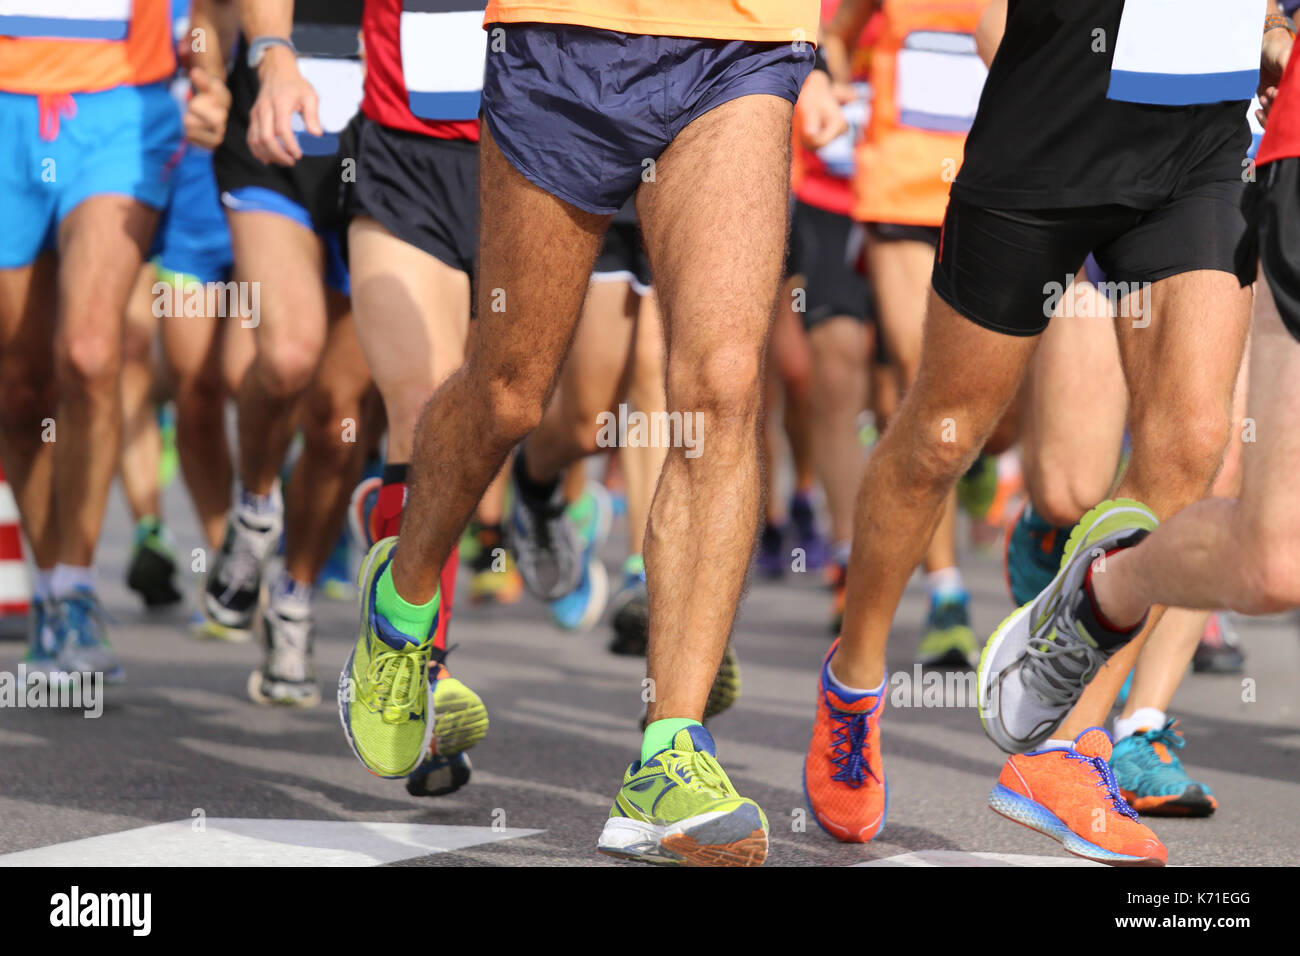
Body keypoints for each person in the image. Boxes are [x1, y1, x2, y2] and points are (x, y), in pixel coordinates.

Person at [339, 0, 846, 867]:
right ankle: (402, 597)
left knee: (722, 388)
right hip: (565, 36)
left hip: (742, 40)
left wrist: (825, 52)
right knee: (509, 392)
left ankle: (670, 755)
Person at [807, 0, 1278, 866]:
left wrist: (1273, 32)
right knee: (943, 437)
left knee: (1191, 443)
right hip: (1046, 135)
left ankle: (1068, 749)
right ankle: (854, 681)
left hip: (1202, 147)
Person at [980, 0, 1300, 812]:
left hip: (1226, 178)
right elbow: (996, 26)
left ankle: (1134, 726)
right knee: (1070, 489)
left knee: (1207, 459)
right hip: (1093, 160)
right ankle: (1056, 546)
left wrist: (1271, 42)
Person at [1, 0, 184, 684]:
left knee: (89, 352)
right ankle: (51, 587)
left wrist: (224, 67)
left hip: (120, 108)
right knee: (20, 388)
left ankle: (76, 590)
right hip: (6, 107)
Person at [204, 0, 375, 709]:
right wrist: (225, 68)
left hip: (387, 143)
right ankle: (254, 510)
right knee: (287, 356)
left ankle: (294, 601)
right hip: (271, 128)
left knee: (340, 422)